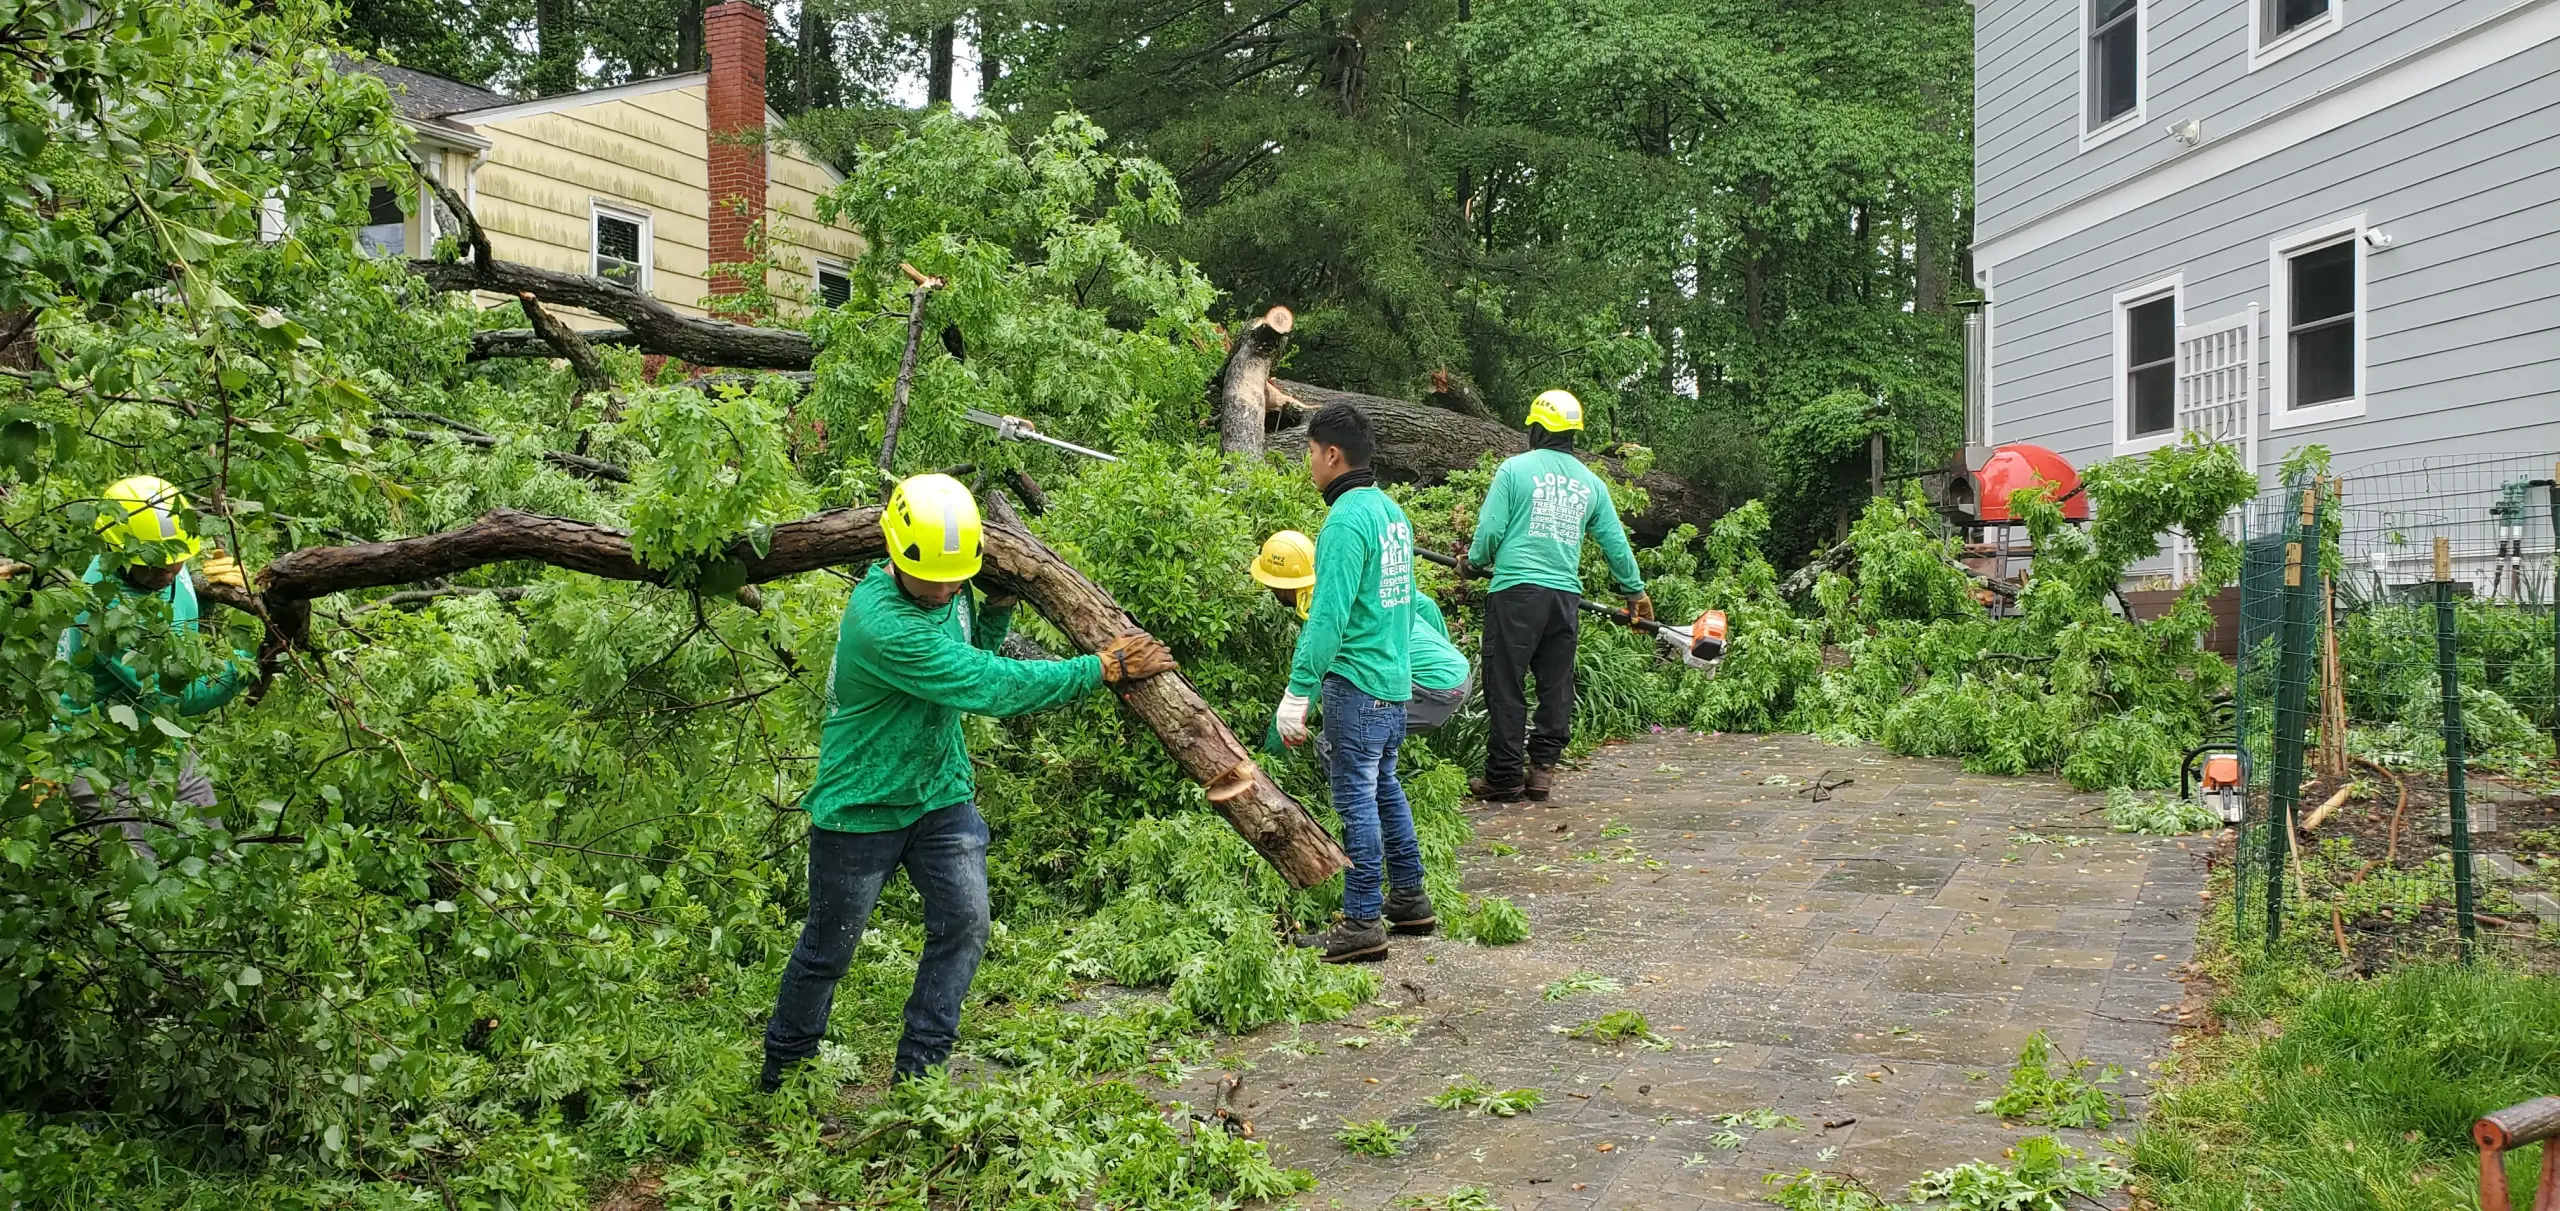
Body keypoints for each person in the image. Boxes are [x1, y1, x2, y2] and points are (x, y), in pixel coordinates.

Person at [762, 473, 1177, 1091]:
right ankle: (785, 1076)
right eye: (934, 577)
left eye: (959, 574)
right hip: (862, 806)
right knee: (829, 951)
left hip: (939, 792)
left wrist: (998, 607)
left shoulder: (947, 577)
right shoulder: (885, 626)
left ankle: (921, 1072)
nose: (948, 587)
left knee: (966, 922)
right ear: (897, 556)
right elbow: (987, 684)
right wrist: (1103, 667)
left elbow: (968, 646)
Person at [1273, 403, 1432, 962]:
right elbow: (1405, 604)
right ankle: (1410, 898)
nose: (1309, 464)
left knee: (1356, 801)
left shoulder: (1345, 520)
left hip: (1357, 687)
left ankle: (1362, 920)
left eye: (1310, 453)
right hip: (1392, 683)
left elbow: (1327, 617)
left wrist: (1298, 691)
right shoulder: (1392, 512)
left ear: (1332, 454)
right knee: (1385, 786)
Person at [1462, 390, 1649, 805]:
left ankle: (1505, 778)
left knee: (1505, 683)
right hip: (1563, 599)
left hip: (1515, 593)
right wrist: (1635, 591)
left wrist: (1474, 561)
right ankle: (1542, 771)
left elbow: (1490, 531)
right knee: (1555, 683)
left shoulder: (1514, 470)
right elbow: (1616, 543)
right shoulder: (1591, 484)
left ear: (1537, 427)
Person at [54, 476, 256, 858]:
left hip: (161, 742)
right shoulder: (104, 612)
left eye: (176, 561)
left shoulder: (161, 570)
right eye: (157, 564)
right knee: (133, 873)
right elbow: (177, 695)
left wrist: (210, 595)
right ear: (117, 551)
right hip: (100, 758)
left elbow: (170, 622)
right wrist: (248, 665)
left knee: (213, 852)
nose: (169, 573)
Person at [1251, 529, 1474, 738]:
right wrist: (1443, 651)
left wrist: (1271, 752)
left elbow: (1307, 687)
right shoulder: (1358, 580)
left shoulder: (1324, 620)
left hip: (1431, 689)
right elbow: (1425, 604)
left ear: (1281, 587)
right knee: (1369, 743)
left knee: (1339, 742)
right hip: (1459, 674)